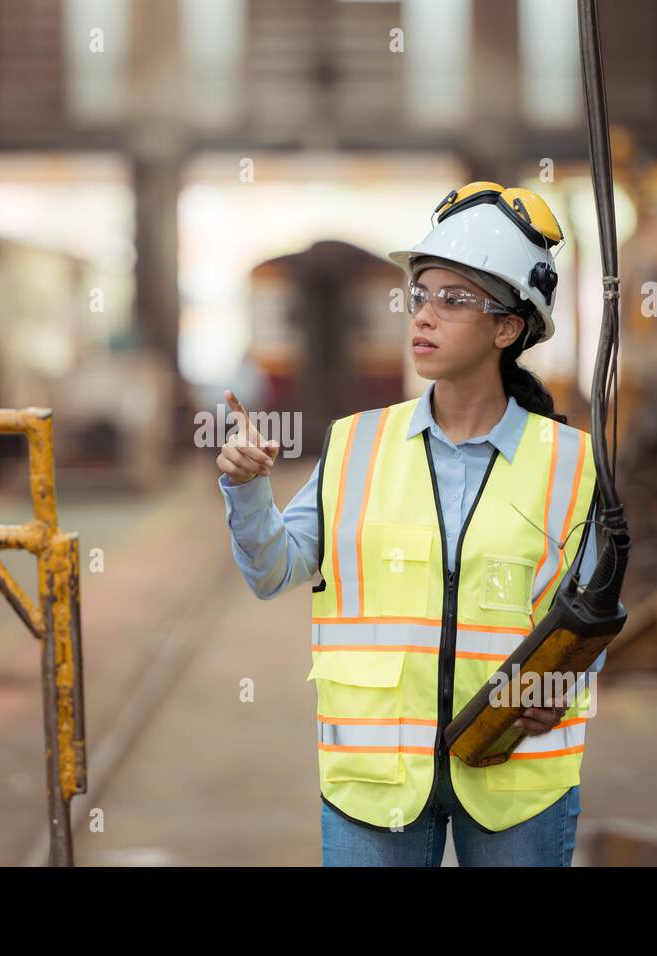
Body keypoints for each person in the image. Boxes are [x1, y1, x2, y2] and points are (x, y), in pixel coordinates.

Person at [216, 182, 606, 866]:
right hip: (376, 776)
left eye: (452, 300)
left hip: (515, 771)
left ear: (507, 328)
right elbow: (273, 572)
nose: (422, 316)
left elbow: (593, 613)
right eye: (418, 296)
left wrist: (563, 688)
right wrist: (247, 491)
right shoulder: (355, 445)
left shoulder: (573, 464)